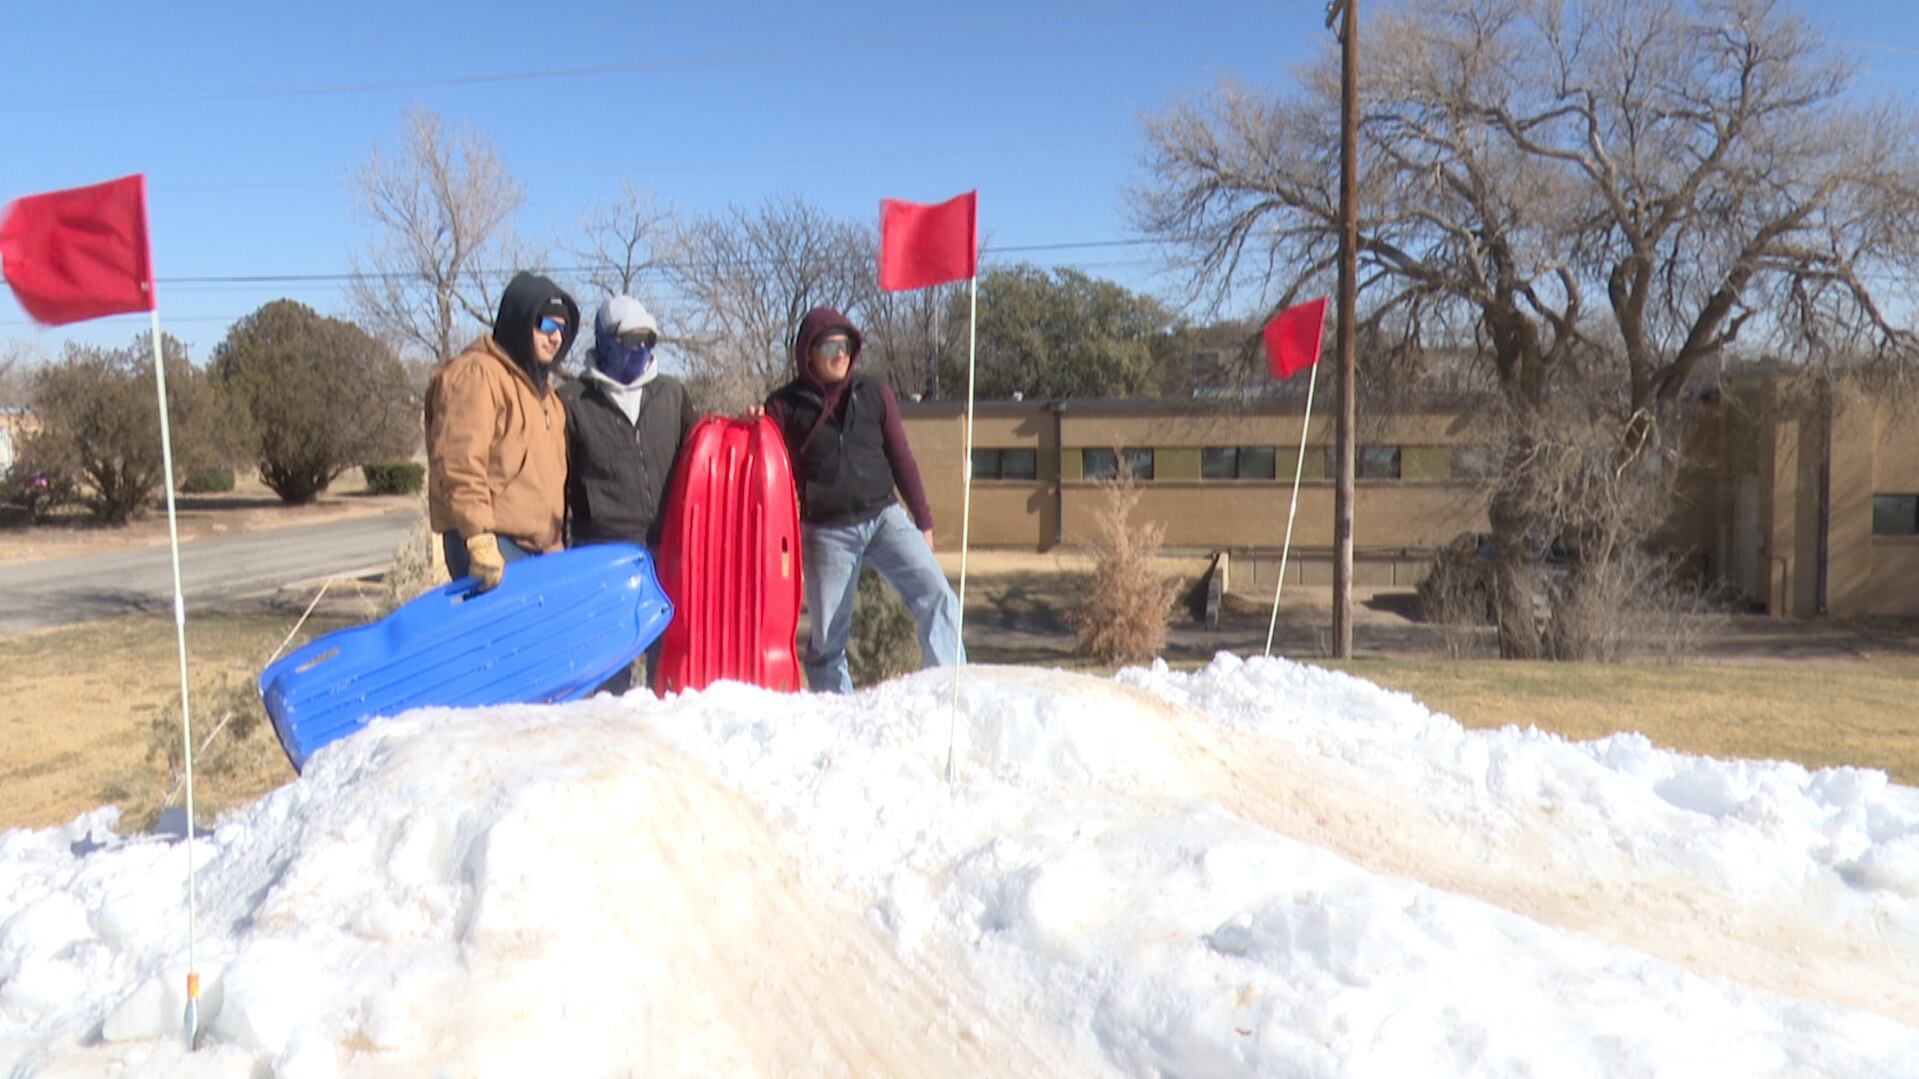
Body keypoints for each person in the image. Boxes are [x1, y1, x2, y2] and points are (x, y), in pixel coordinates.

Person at [764, 305, 964, 692]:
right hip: (827, 532)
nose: (839, 355)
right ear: (808, 353)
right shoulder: (783, 406)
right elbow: (766, 464)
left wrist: (923, 519)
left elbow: (901, 456)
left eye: (845, 346)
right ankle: (837, 714)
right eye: (828, 348)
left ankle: (951, 693)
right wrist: (754, 420)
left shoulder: (874, 393)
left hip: (885, 518)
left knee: (937, 596)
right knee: (827, 639)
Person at [560, 295, 696, 693]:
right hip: (603, 554)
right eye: (629, 340)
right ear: (605, 341)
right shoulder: (574, 400)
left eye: (647, 340)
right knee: (609, 675)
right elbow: (558, 482)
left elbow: (697, 457)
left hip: (666, 549)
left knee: (666, 671)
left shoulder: (671, 394)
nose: (640, 350)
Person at [425, 272, 579, 591]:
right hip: (491, 542)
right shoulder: (478, 374)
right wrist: (478, 538)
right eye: (547, 326)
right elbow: (460, 462)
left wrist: (552, 538)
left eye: (562, 329)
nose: (555, 338)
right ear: (520, 321)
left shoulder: (546, 396)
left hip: (536, 548)